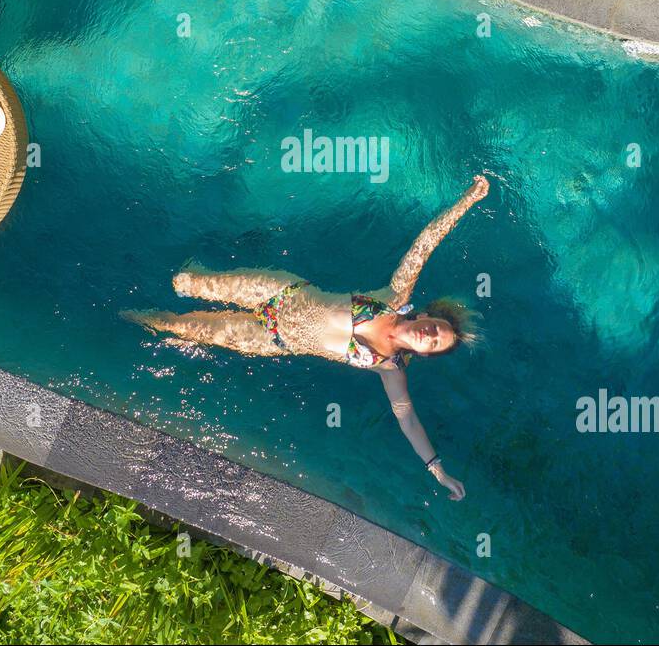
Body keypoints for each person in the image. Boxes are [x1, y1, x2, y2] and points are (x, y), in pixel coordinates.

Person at [123, 175, 490, 500]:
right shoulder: (392, 299)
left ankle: (125, 314)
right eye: (436, 329)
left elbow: (407, 419)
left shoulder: (390, 368)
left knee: (177, 327)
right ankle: (155, 249)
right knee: (187, 283)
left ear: (426, 353)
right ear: (426, 316)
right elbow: (424, 244)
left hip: (269, 339)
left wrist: (437, 471)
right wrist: (469, 200)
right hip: (278, 291)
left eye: (435, 343)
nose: (430, 336)